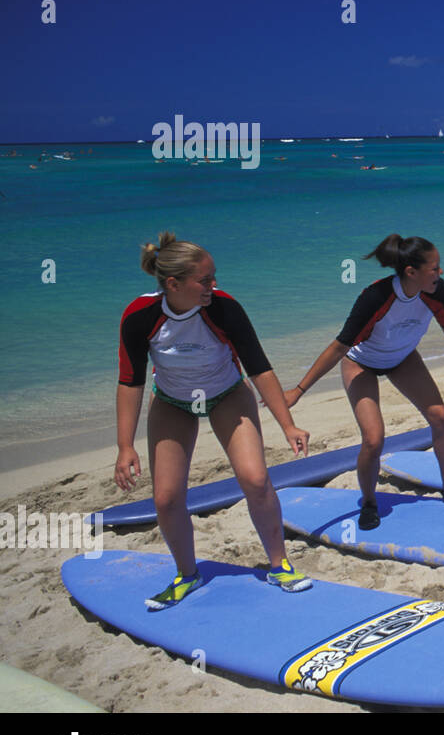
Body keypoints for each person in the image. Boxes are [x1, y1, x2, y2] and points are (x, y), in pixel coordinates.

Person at [115, 233, 312, 609]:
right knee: (167, 498)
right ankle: (187, 575)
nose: (213, 285)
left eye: (214, 277)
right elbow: (130, 381)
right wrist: (125, 445)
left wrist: (288, 425)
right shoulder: (140, 316)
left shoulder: (224, 308)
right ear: (173, 284)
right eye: (205, 280)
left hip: (227, 396)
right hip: (173, 404)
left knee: (255, 479)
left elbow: (260, 369)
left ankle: (280, 564)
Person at [287, 235, 444, 527]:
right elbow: (338, 347)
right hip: (361, 363)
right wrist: (299, 390)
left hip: (402, 359)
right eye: (434, 268)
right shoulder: (375, 297)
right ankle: (370, 502)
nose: (441, 274)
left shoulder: (436, 291)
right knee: (374, 439)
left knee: (440, 417)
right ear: (411, 272)